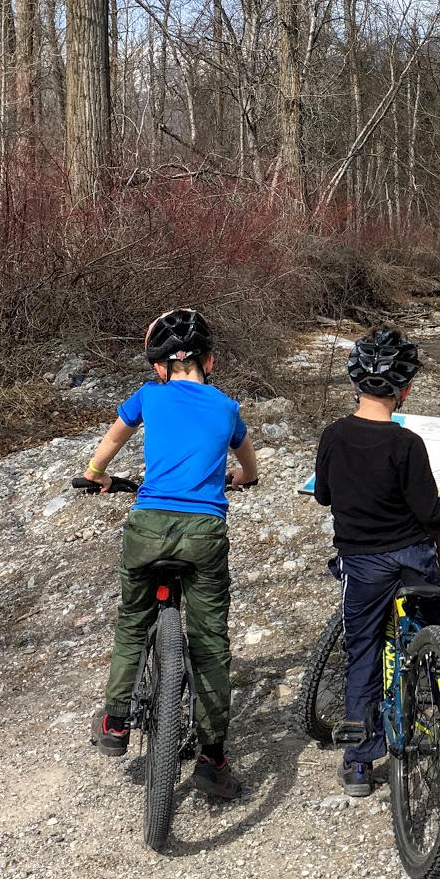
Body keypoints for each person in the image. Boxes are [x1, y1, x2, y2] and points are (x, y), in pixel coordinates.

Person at [312, 326, 440, 797]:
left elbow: (322, 495)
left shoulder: (334, 436)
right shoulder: (408, 444)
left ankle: (359, 762)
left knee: (363, 652)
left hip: (363, 564)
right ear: (406, 389)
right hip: (413, 558)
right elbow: (429, 512)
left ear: (355, 381)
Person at [86, 308, 258, 800]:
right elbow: (248, 465)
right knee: (208, 642)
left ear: (159, 367)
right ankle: (212, 757)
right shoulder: (227, 408)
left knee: (132, 621)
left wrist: (97, 472)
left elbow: (112, 442)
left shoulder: (148, 397)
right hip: (204, 531)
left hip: (148, 525)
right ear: (210, 361)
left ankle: (116, 720)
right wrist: (240, 479)